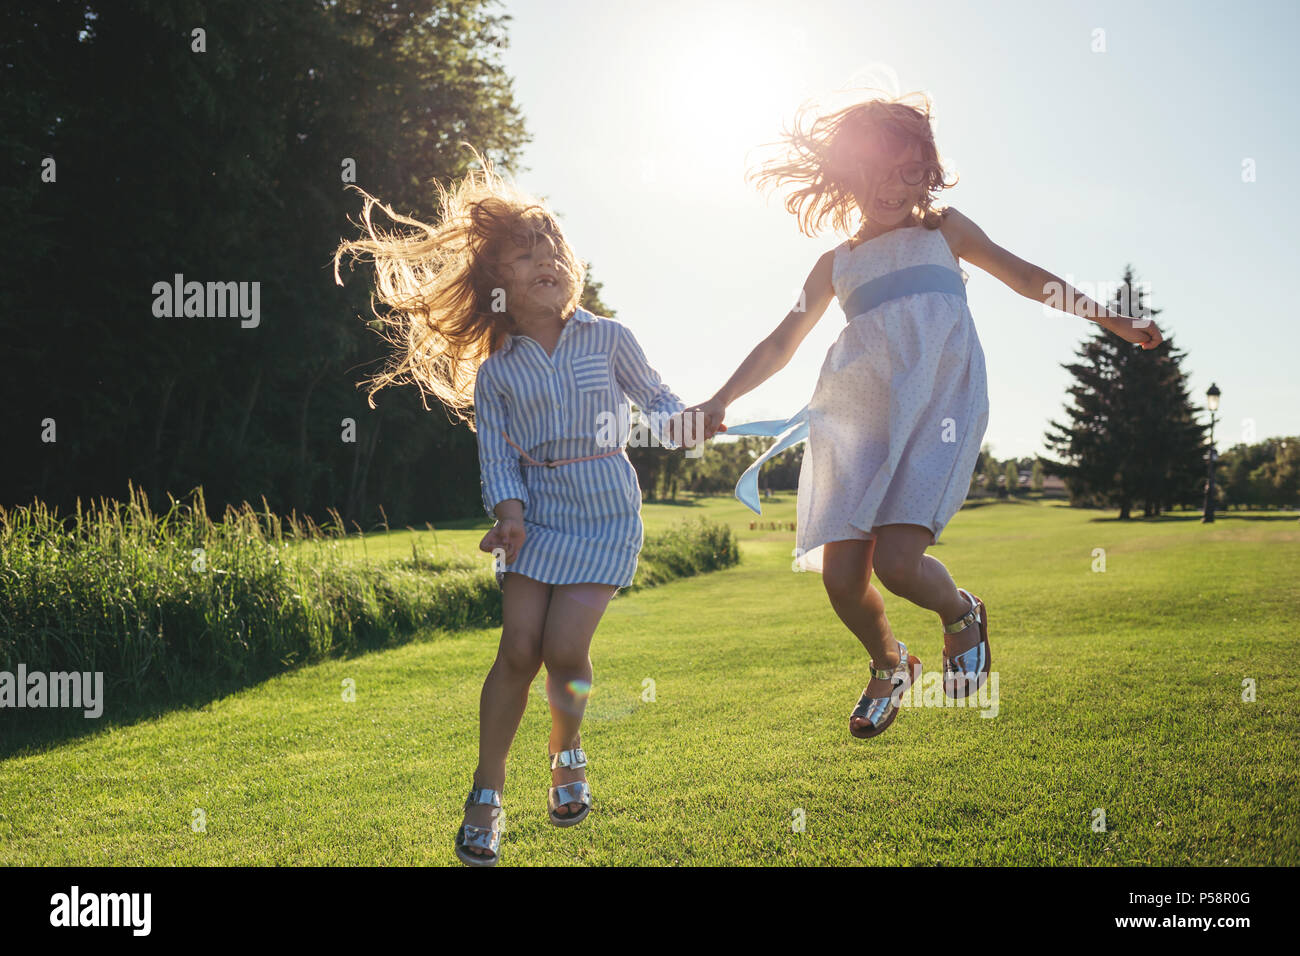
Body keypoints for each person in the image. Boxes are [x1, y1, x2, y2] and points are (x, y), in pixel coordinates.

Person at [688, 91, 1163, 739]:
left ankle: (961, 614)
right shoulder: (836, 263)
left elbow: (1028, 278)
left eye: (908, 171)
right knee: (841, 580)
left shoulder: (946, 233)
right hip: (854, 419)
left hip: (938, 407)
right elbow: (780, 343)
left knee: (899, 564)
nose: (892, 187)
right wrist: (720, 399)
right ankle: (891, 665)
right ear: (848, 175)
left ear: (929, 172)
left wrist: (1109, 318)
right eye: (874, 172)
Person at [334, 147, 689, 865]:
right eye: (525, 255)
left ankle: (567, 752)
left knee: (565, 650)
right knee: (519, 649)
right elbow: (496, 456)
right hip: (534, 517)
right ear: (497, 283)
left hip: (605, 514)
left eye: (552, 247)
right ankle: (486, 793)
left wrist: (686, 421)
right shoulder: (497, 372)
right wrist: (510, 513)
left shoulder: (610, 338)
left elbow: (656, 398)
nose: (545, 260)